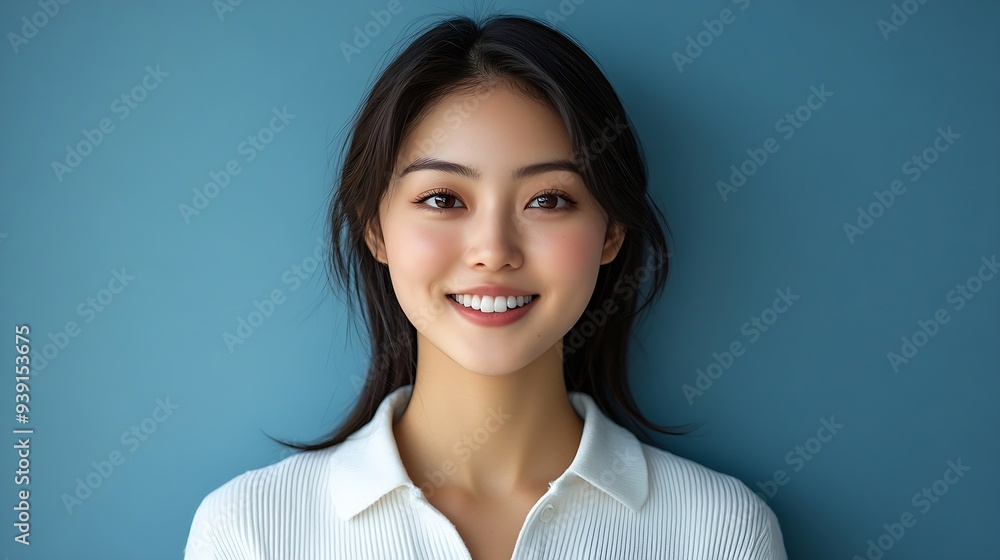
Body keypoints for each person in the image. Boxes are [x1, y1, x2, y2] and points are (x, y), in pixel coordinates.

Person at [184, 13, 787, 560]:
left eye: (548, 200)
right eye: (443, 199)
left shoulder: (719, 532)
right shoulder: (249, 532)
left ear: (611, 234)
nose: (494, 251)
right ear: (376, 230)